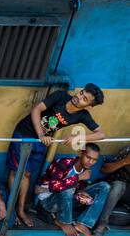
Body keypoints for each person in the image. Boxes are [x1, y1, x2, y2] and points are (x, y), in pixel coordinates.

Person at [6, 84, 105, 227]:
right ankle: (11, 212)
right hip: (25, 133)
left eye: (85, 99)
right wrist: (40, 134)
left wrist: (79, 138)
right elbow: (36, 109)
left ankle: (20, 210)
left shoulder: (82, 115)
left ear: (89, 105)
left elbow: (101, 134)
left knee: (26, 174)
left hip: (42, 142)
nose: (79, 97)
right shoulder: (60, 96)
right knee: (16, 172)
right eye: (81, 93)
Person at [34, 145, 110, 236]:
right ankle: (65, 222)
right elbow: (54, 187)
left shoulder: (86, 172)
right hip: (48, 201)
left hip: (67, 201)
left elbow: (76, 190)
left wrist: (82, 194)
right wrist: (78, 178)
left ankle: (83, 223)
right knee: (67, 189)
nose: (91, 162)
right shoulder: (63, 163)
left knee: (104, 186)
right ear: (80, 153)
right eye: (88, 157)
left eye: (94, 160)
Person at [92, 145, 130, 236]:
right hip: (120, 188)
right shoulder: (127, 150)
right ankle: (101, 225)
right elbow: (104, 169)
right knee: (118, 186)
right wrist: (125, 161)